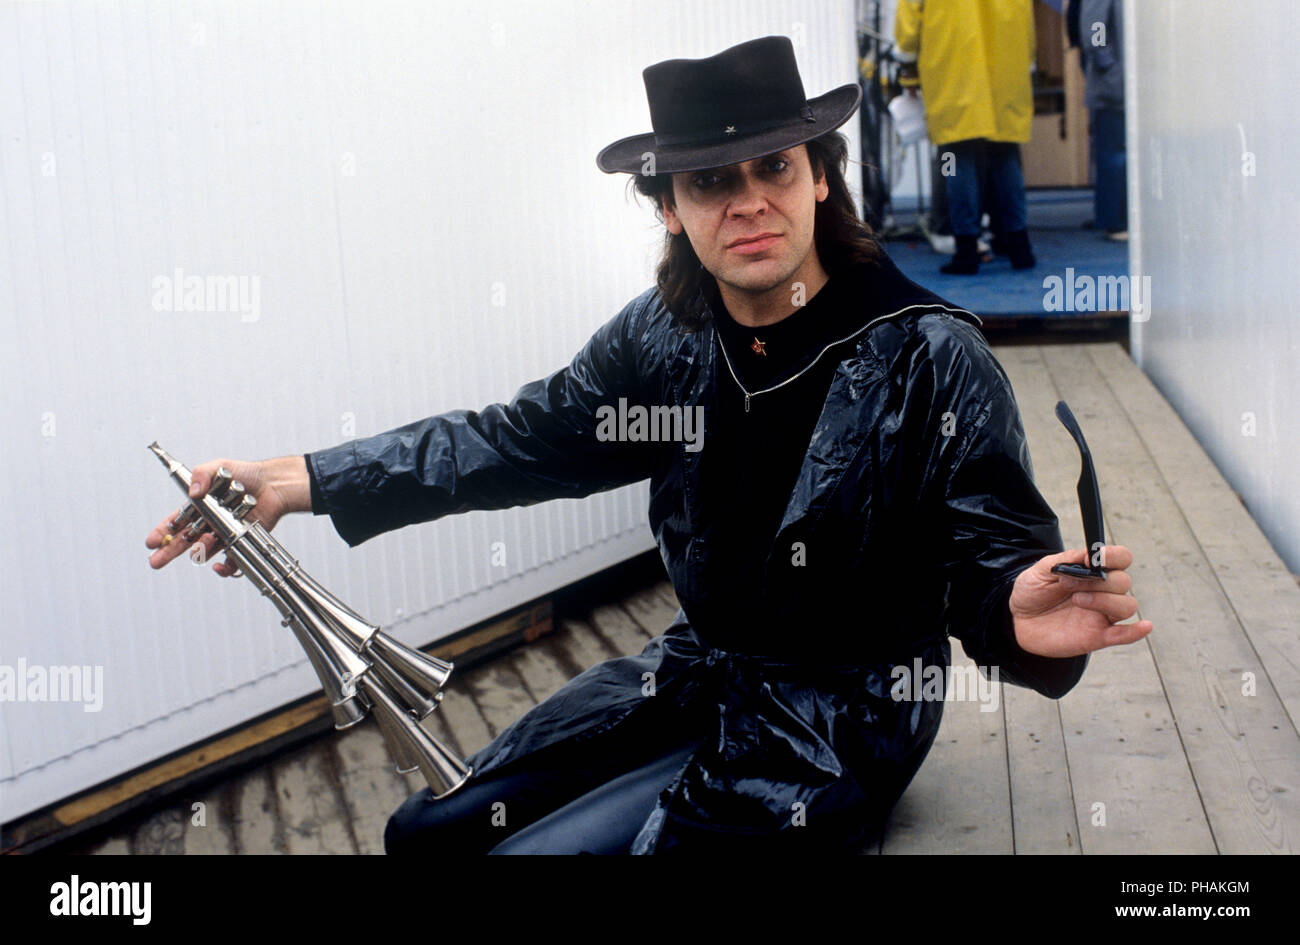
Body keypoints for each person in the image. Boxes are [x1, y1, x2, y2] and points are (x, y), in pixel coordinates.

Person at [146, 35, 1153, 854]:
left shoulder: (927, 355)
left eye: (773, 166)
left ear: (819, 183)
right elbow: (514, 441)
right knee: (433, 832)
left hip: (846, 703)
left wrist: (1011, 617)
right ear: (670, 208)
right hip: (700, 667)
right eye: (711, 179)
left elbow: (988, 563)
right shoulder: (665, 336)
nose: (748, 199)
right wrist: (302, 478)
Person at [895, 0, 1038, 273]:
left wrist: (906, 59)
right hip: (1006, 65)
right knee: (1006, 155)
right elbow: (1027, 15)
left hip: (954, 65)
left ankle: (966, 250)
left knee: (956, 158)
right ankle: (1020, 247)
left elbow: (909, 16)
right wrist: (1027, 60)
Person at [1076, 0, 1128, 240]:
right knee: (1114, 158)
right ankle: (1114, 221)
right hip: (1113, 87)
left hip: (1129, 84)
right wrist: (1108, 65)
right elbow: (1094, 26)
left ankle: (1123, 217)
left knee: (1123, 157)